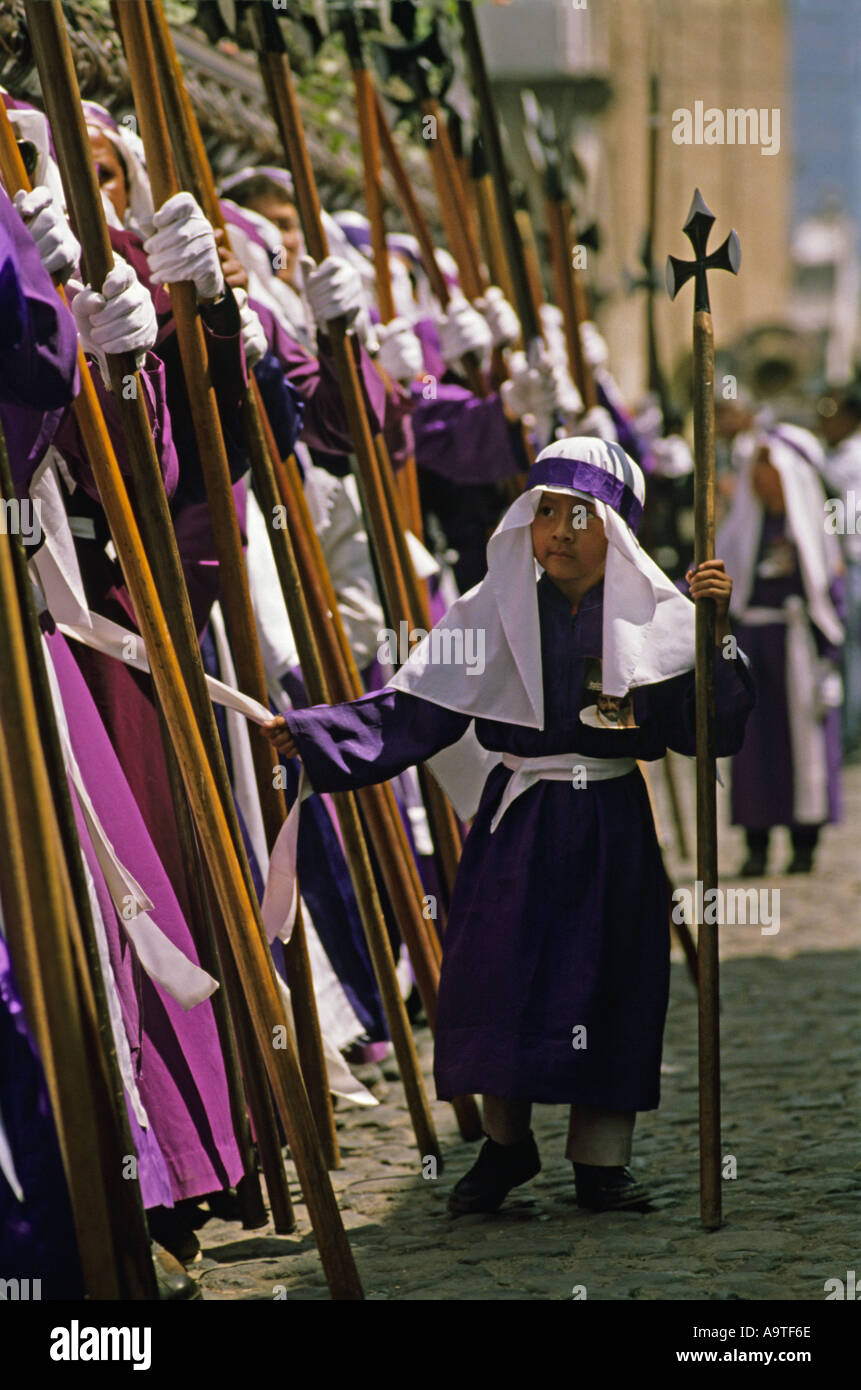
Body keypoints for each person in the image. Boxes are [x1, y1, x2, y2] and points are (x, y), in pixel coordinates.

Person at [261, 436, 754, 1215]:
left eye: (579, 516)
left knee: (610, 980)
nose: (558, 530)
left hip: (610, 827)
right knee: (496, 974)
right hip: (516, 826)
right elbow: (412, 711)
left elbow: (707, 732)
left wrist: (710, 634)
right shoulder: (491, 610)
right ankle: (505, 1145)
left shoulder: (661, 617)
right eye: (544, 511)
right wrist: (320, 735)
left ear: (615, 532)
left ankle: (601, 1161)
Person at [719, 427, 845, 875]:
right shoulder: (742, 528)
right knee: (754, 750)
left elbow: (830, 594)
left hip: (797, 650)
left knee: (802, 747)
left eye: (771, 470)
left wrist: (828, 659)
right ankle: (756, 844)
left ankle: (803, 843)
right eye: (758, 469)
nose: (762, 479)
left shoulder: (809, 531)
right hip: (753, 650)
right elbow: (721, 584)